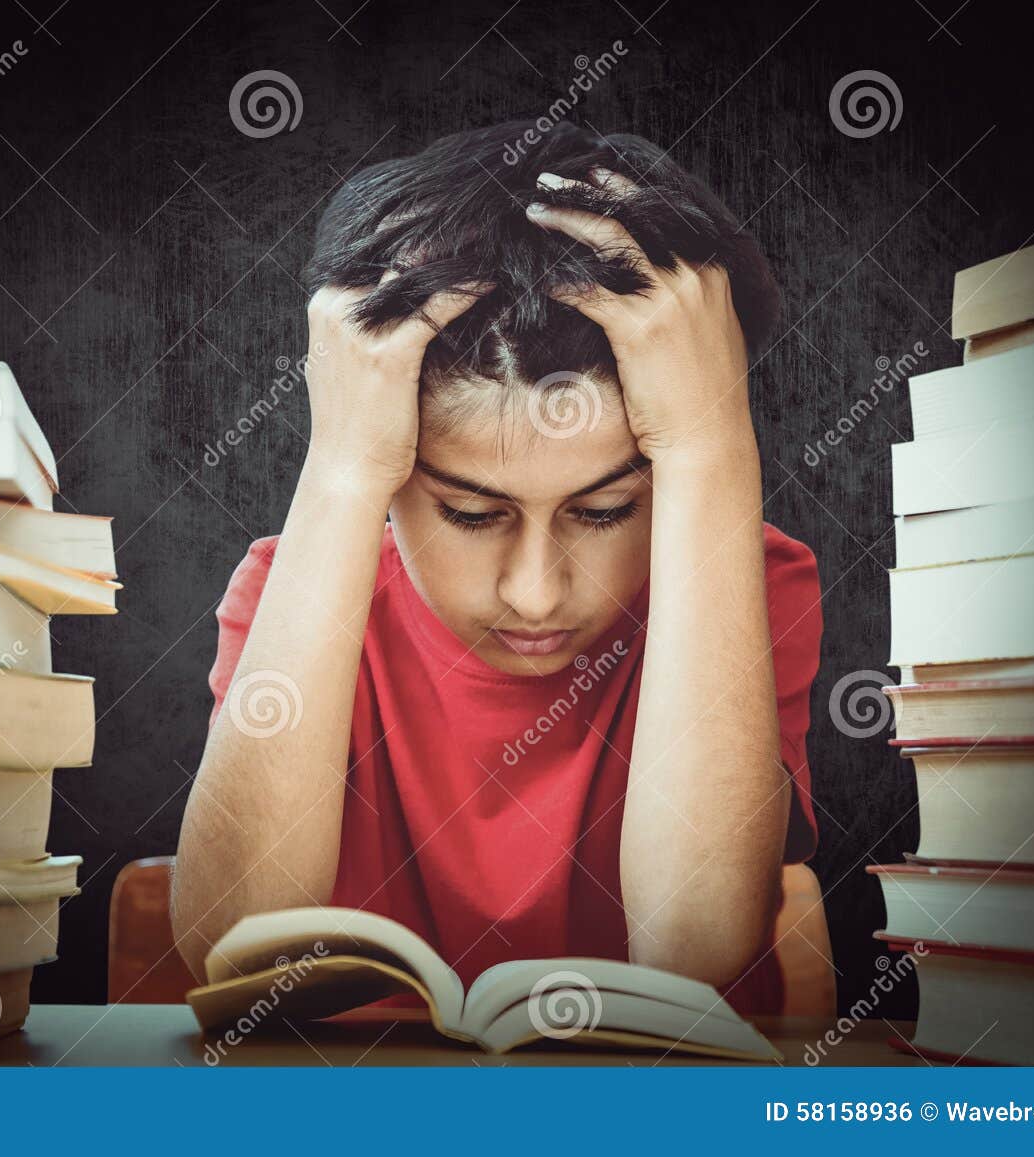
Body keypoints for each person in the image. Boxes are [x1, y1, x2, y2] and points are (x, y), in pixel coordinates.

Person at [172, 121, 822, 1015]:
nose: (535, 592)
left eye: (605, 510)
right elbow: (227, 941)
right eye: (471, 514)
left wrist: (712, 444)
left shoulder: (752, 581)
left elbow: (695, 946)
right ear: (394, 475)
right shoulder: (296, 585)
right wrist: (339, 471)